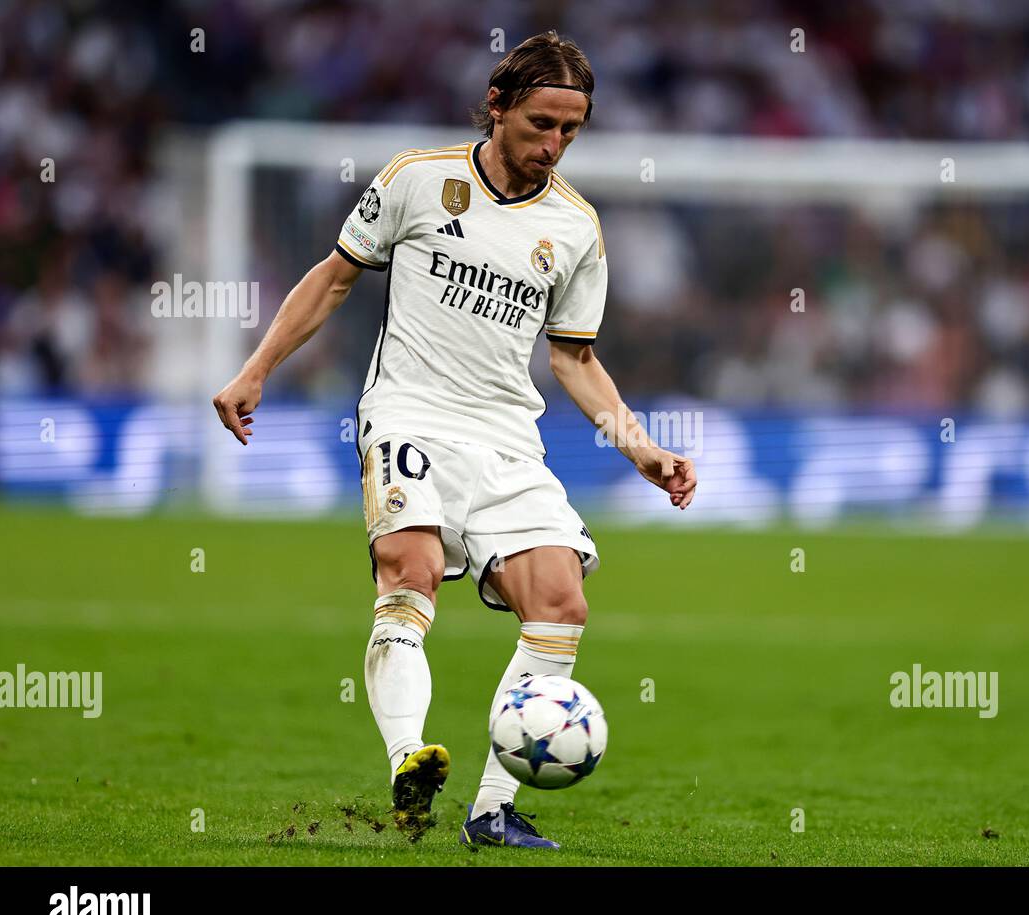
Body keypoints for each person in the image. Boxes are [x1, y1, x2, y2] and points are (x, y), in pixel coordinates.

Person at [212, 31, 696, 849]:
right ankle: (410, 761)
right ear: (499, 105)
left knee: (561, 601)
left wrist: (640, 449)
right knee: (412, 571)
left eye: (570, 132)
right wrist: (256, 369)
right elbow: (334, 278)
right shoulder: (417, 179)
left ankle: (492, 810)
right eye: (542, 124)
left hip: (507, 437)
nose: (554, 146)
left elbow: (574, 359)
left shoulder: (575, 228)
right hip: (408, 414)